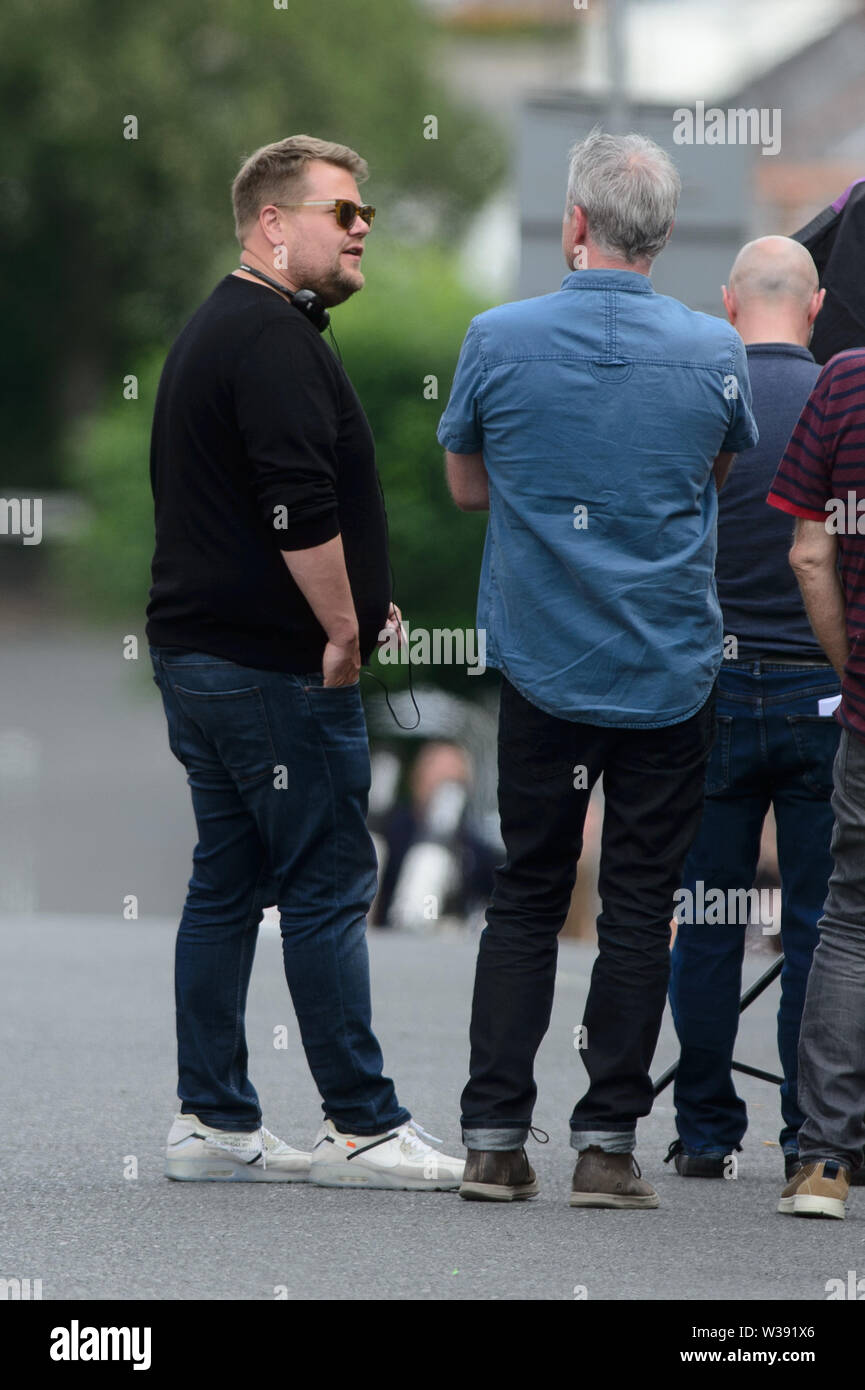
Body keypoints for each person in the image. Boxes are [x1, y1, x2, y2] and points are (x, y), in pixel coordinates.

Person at [438, 129, 758, 1208]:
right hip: (669, 666)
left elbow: (468, 488)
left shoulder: (495, 335)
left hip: (542, 663)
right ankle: (607, 1145)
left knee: (525, 895)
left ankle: (491, 1137)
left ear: (574, 223)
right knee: (637, 903)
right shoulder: (716, 350)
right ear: (661, 235)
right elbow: (714, 468)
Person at [146, 134, 463, 1190]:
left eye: (364, 208)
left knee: (227, 881)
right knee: (328, 879)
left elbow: (247, 511)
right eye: (341, 210)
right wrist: (341, 625)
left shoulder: (223, 327)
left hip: (204, 658)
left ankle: (214, 1122)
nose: (362, 222)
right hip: (273, 669)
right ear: (273, 225)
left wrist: (362, 601)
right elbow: (294, 506)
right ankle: (363, 1127)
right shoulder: (273, 338)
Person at [665, 237, 840, 1184]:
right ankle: (810, 1137)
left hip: (714, 690)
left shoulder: (699, 395)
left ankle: (701, 1131)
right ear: (813, 310)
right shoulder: (840, 400)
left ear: (729, 304)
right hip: (821, 689)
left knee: (707, 916)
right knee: (819, 925)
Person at [769, 346, 865, 1219]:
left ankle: (825, 1163)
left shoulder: (842, 379)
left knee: (848, 922)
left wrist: (853, 671)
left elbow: (808, 554)